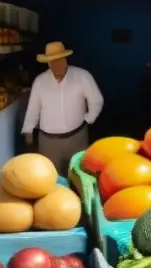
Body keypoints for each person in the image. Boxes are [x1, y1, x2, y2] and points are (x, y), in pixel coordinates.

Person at [21, 41, 104, 177]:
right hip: (48, 143)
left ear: (65, 59)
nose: (56, 65)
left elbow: (96, 100)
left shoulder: (82, 76)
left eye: (59, 60)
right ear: (48, 63)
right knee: (51, 180)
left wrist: (88, 119)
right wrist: (29, 140)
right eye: (52, 61)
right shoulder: (40, 81)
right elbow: (32, 111)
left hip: (77, 138)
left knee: (78, 177)